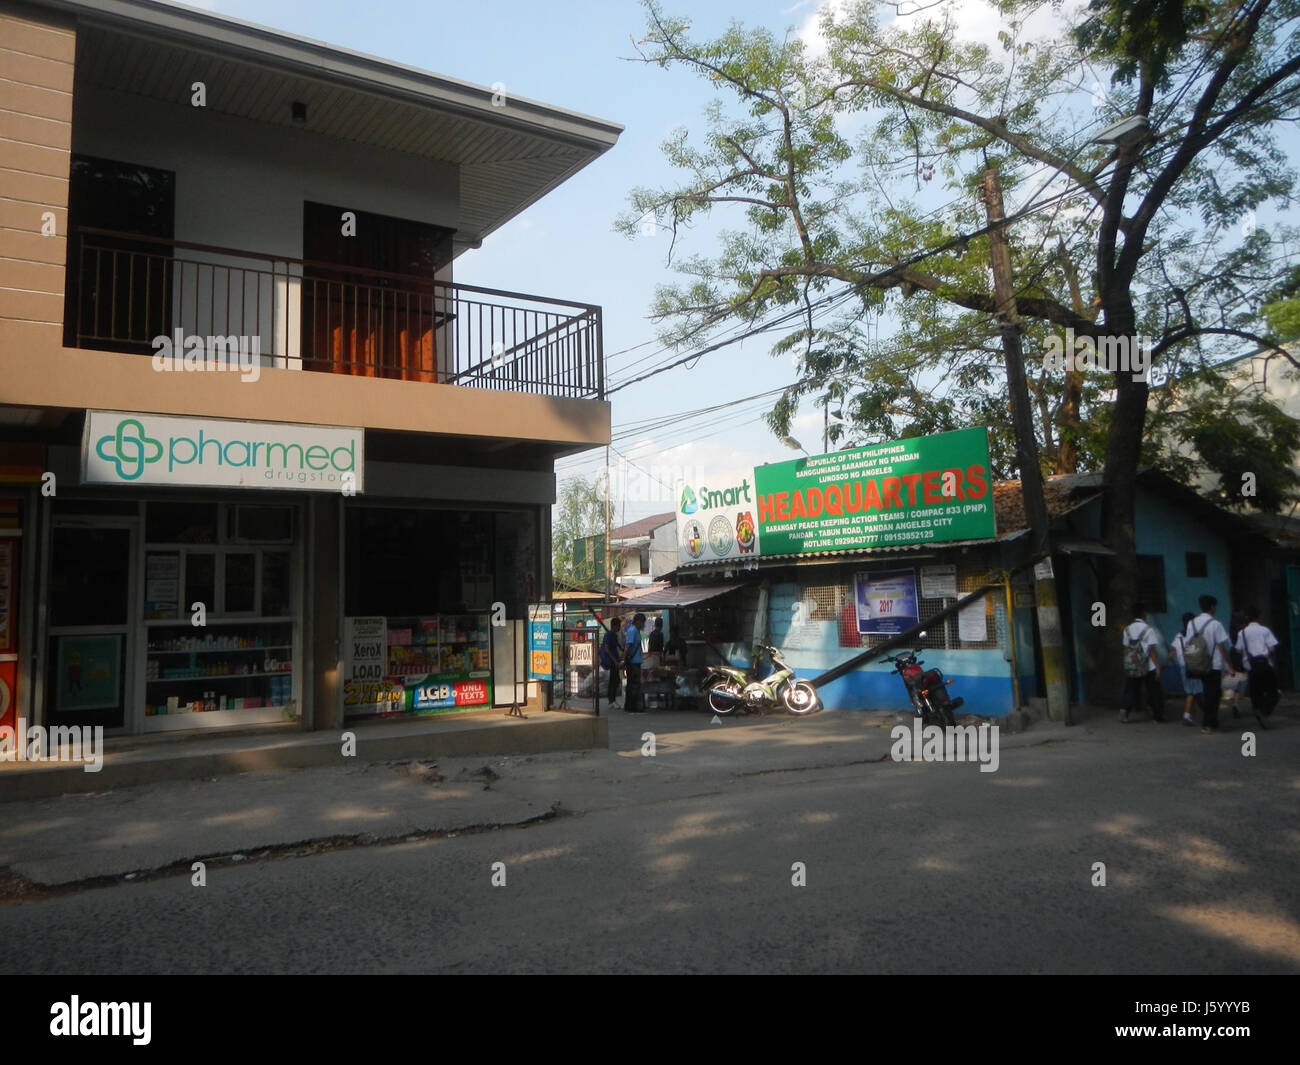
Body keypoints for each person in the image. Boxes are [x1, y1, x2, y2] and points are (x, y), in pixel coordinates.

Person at [1185, 595, 1233, 734]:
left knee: (1207, 692)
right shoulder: (1215, 624)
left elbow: (1189, 643)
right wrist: (1230, 664)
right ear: (1212, 607)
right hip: (1214, 665)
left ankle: (1211, 721)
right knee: (1213, 694)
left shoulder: (1191, 623)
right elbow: (1222, 647)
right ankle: (1208, 723)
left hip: (1197, 663)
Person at [1235, 605, 1281, 728]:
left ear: (1246, 618)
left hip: (1250, 666)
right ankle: (1265, 711)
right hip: (1265, 664)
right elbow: (1272, 647)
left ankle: (1258, 711)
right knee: (1273, 691)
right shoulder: (1265, 630)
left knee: (1256, 692)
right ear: (1258, 617)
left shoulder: (1242, 633)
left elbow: (1238, 650)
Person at [1120, 606, 1164, 722]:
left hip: (1133, 665)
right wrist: (1158, 667)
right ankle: (1157, 715)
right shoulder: (1148, 630)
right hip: (1148, 665)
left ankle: (1125, 711)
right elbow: (1152, 650)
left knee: (1131, 689)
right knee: (1153, 691)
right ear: (1143, 615)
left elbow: (1126, 647)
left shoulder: (1127, 630)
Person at [1167, 612, 1199, 726]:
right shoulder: (1195, 635)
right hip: (1194, 666)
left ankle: (1191, 713)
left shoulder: (1179, 636)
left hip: (1182, 666)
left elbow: (1173, 651)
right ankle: (1187, 714)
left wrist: (1166, 662)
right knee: (1193, 691)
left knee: (1190, 691)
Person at [623, 612, 645, 713]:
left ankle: (631, 705)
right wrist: (625, 659)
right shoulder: (633, 631)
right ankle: (633, 706)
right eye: (642, 622)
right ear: (638, 622)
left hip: (635, 661)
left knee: (633, 684)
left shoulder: (635, 631)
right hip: (633, 662)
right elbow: (628, 646)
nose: (643, 625)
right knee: (634, 685)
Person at [599, 617, 623, 708]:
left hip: (615, 660)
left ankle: (612, 700)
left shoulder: (614, 635)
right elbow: (607, 649)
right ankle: (611, 700)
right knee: (614, 681)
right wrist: (614, 661)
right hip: (612, 661)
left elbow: (617, 646)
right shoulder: (608, 635)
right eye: (618, 626)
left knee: (615, 681)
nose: (619, 627)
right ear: (614, 626)